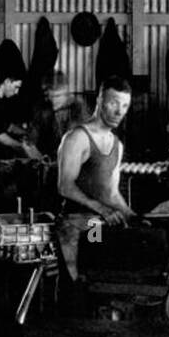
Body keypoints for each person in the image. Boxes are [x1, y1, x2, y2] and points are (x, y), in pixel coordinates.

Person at [55, 76, 138, 282]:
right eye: (113, 103)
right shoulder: (77, 137)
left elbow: (110, 192)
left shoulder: (116, 145)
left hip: (95, 224)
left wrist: (132, 215)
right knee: (78, 283)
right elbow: (65, 186)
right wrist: (101, 209)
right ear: (100, 100)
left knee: (99, 278)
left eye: (125, 105)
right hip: (74, 224)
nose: (120, 111)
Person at [25, 71, 88, 161]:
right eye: (51, 96)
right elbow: (31, 140)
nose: (53, 101)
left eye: (58, 96)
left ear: (67, 93)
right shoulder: (42, 106)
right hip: (47, 157)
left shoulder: (77, 107)